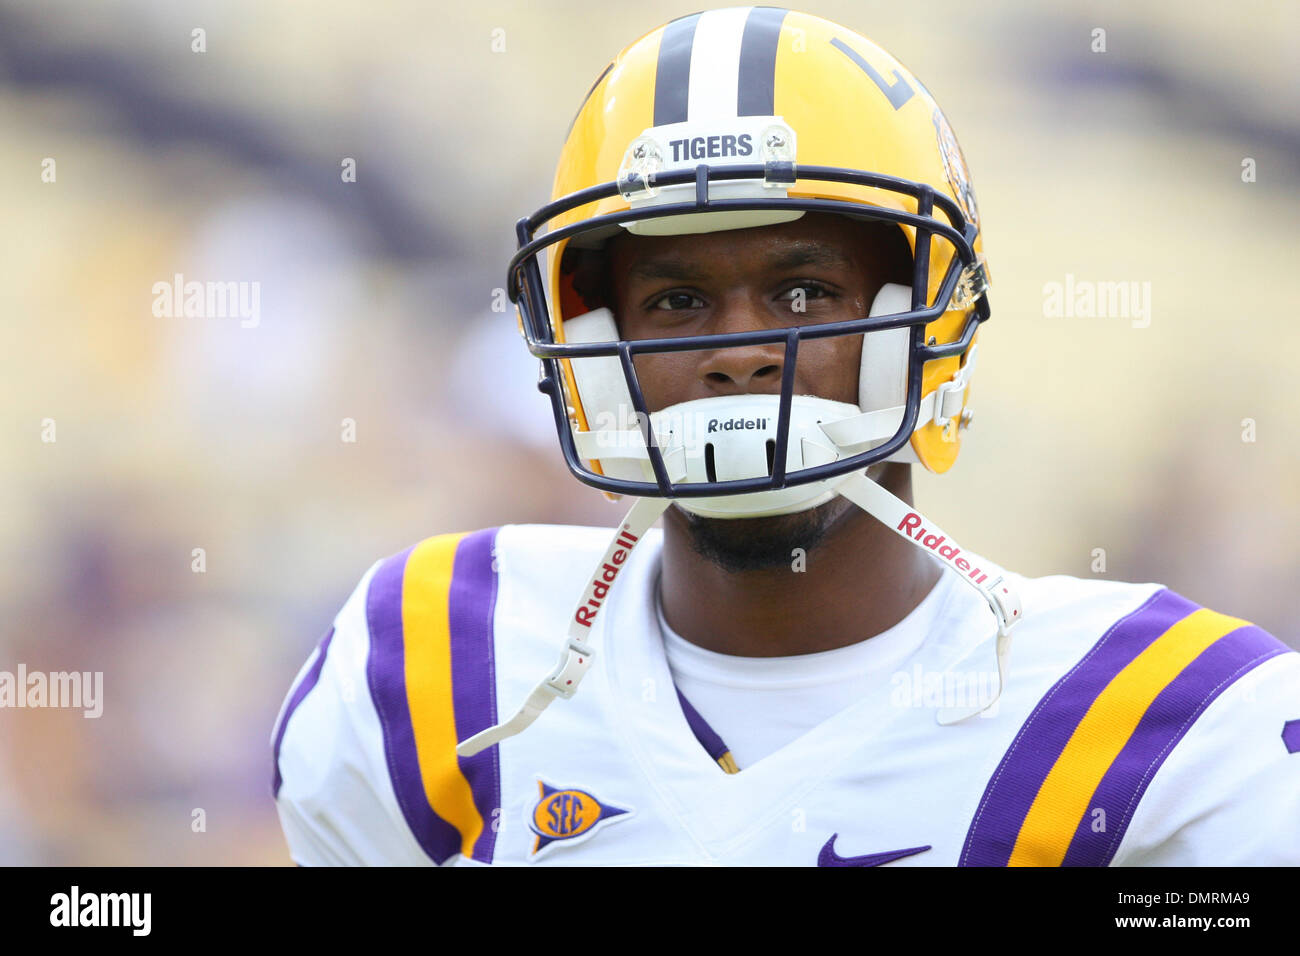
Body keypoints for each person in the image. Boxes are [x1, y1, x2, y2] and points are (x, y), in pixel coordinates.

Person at [271, 6, 1299, 866]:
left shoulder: (1168, 729)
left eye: (803, 290)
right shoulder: (434, 664)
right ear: (592, 344)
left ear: (928, 326)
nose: (740, 351)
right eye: (676, 298)